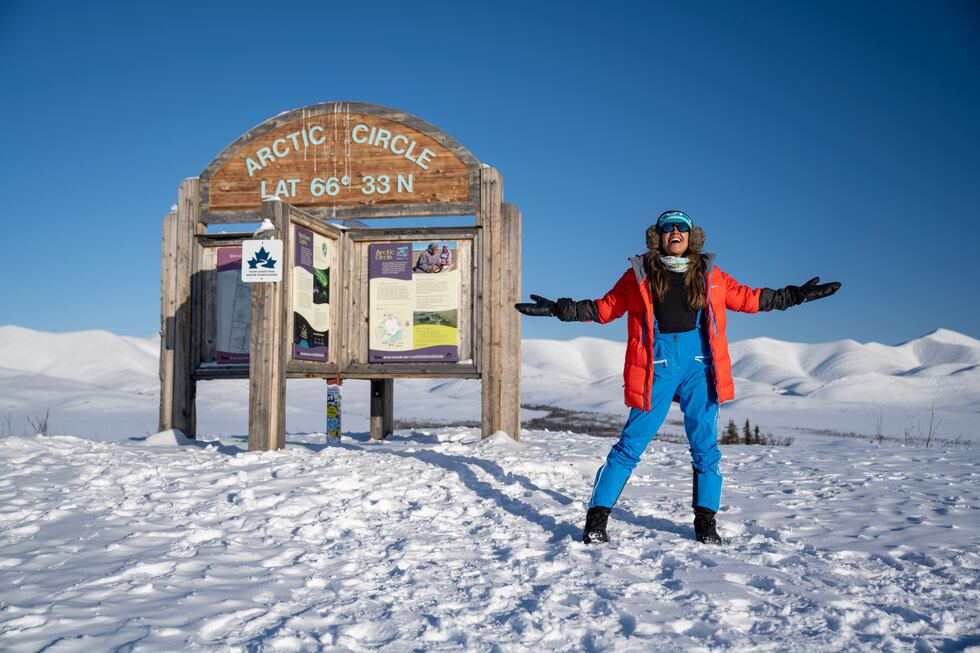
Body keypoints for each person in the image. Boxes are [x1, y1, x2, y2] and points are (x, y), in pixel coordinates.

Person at [515, 210, 840, 545]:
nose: (674, 232)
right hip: (656, 367)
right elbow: (604, 308)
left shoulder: (712, 275)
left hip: (700, 366)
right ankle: (596, 519)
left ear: (691, 236)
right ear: (657, 236)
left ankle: (705, 523)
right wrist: (559, 309)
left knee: (705, 447)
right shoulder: (638, 275)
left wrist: (796, 295)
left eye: (681, 227)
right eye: (667, 227)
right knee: (631, 444)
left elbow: (752, 298)